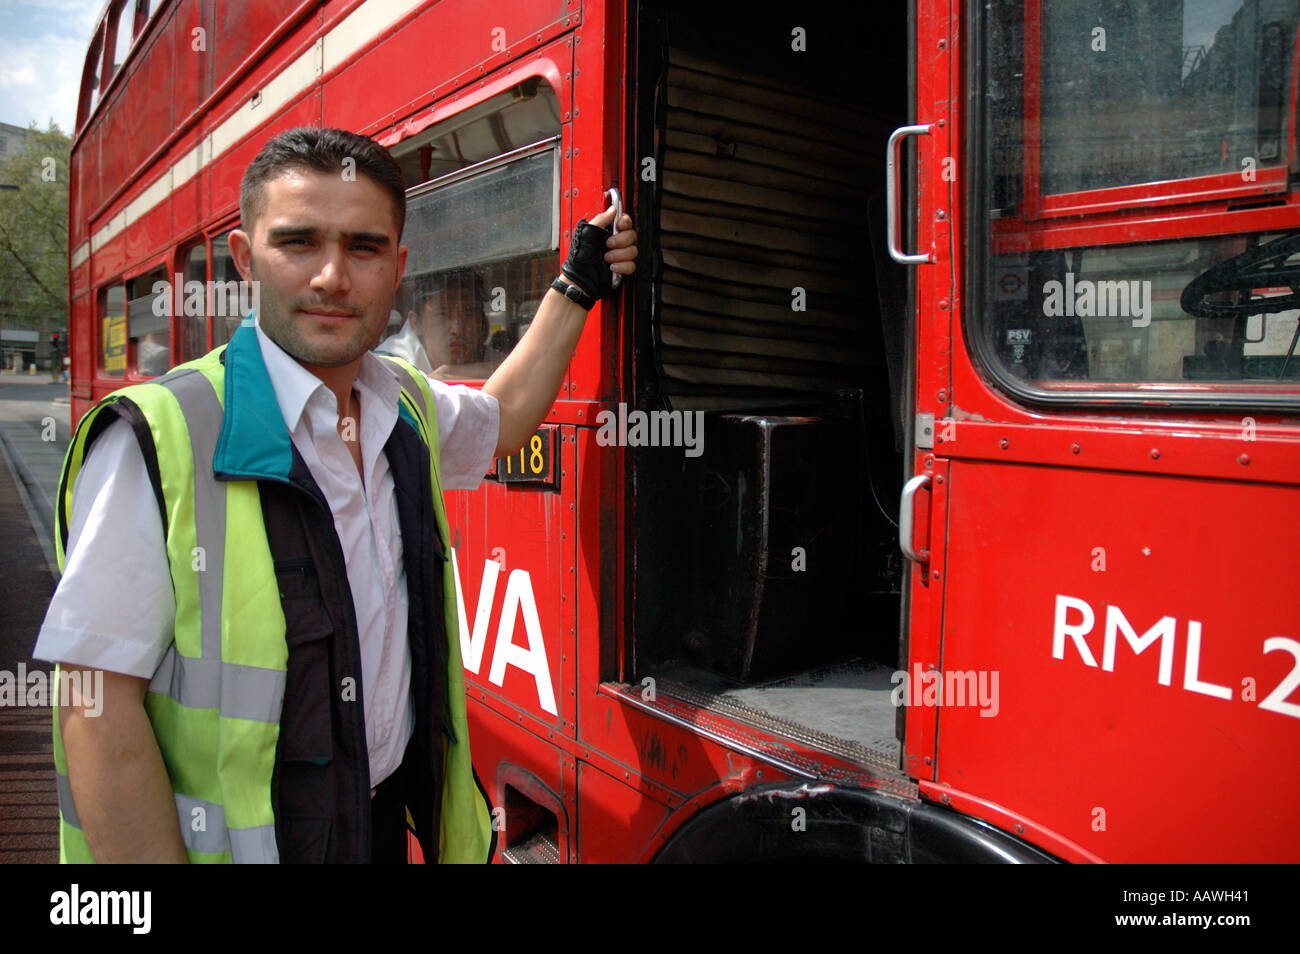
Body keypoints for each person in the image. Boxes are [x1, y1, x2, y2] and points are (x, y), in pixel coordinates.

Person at [34, 126, 636, 863]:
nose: (331, 277)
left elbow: (504, 418)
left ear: (398, 266)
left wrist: (575, 285)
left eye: (363, 247)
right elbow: (96, 709)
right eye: (298, 243)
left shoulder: (403, 406)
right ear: (244, 258)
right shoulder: (158, 438)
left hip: (375, 828)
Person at [376, 268, 495, 380]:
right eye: (443, 314)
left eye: (469, 313)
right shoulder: (388, 366)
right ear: (415, 323)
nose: (457, 329)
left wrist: (449, 372)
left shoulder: (487, 355)